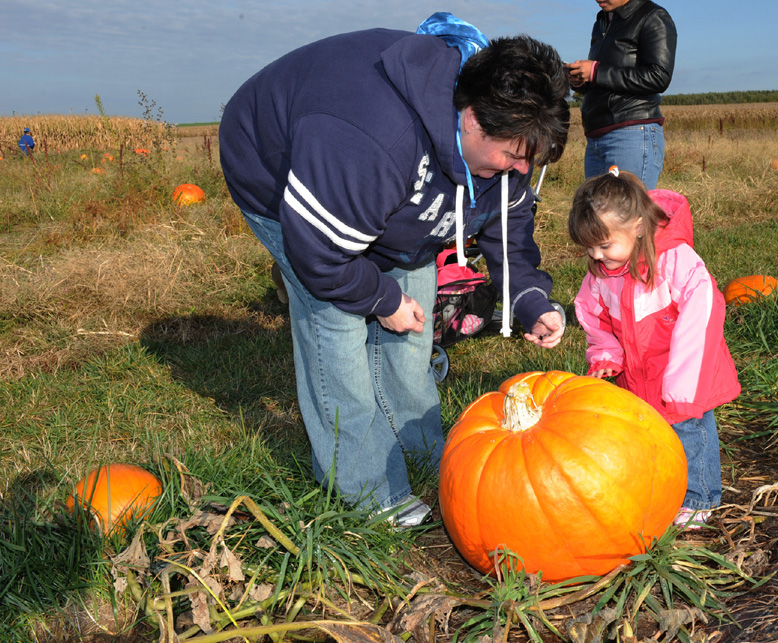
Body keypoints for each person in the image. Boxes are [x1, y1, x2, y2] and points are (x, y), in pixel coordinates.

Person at [219, 13, 570, 527]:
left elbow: (508, 228)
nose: (520, 171)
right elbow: (322, 256)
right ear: (471, 118)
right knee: (334, 322)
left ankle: (421, 447)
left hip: (384, 191)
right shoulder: (372, 135)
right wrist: (381, 301)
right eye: (513, 156)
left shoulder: (506, 148)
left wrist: (530, 301)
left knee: (417, 316)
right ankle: (366, 487)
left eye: (530, 163)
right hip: (279, 172)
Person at [569, 167, 740, 529]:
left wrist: (684, 381)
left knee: (690, 431)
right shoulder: (602, 275)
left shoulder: (676, 262)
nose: (596, 256)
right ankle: (663, 489)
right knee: (647, 434)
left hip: (682, 371)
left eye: (604, 245)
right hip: (636, 375)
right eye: (589, 248)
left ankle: (701, 496)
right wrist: (605, 356)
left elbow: (703, 311)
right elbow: (594, 318)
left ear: (639, 228)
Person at [565, 0, 676, 189]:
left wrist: (595, 71)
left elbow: (659, 77)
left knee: (629, 215)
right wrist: (582, 80)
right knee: (597, 215)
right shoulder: (602, 21)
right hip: (596, 136)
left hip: (631, 134)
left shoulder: (653, 16)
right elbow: (604, 78)